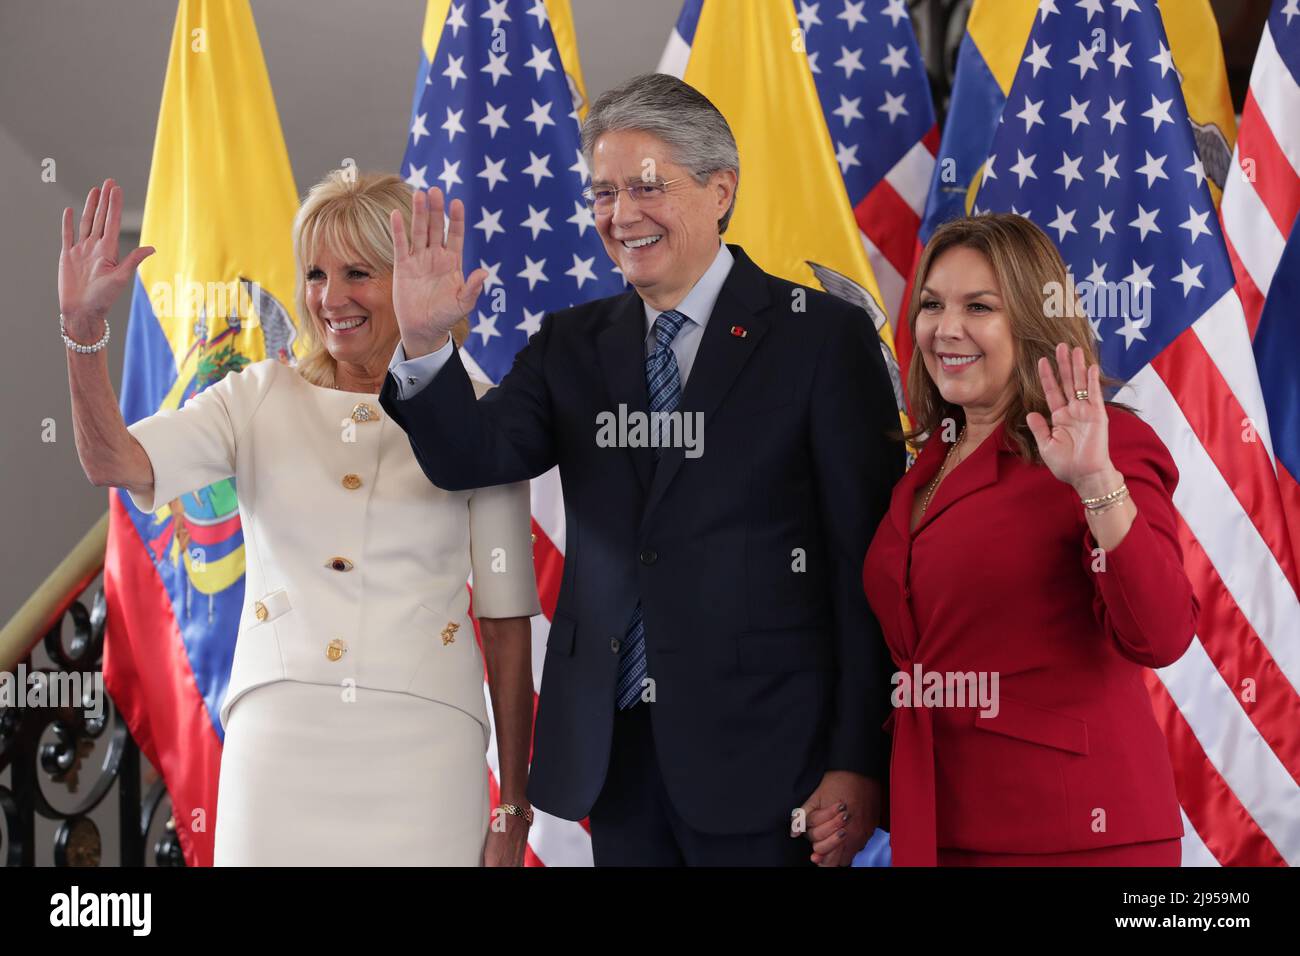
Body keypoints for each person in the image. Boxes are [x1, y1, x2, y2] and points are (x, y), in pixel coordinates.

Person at [379, 73, 904, 866]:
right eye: (603, 193)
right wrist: (424, 346)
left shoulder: (821, 338)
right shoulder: (571, 342)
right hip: (616, 761)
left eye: (647, 186)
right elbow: (471, 457)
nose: (621, 215)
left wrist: (857, 758)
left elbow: (862, 563)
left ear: (719, 191)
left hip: (773, 763)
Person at [58, 172, 540, 866]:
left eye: (357, 273)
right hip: (278, 744)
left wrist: (512, 806)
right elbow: (116, 461)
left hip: (426, 751)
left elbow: (504, 620)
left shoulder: (484, 414)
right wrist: (83, 332)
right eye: (315, 273)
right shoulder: (255, 395)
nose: (329, 297)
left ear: (411, 280)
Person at [863, 213, 1198, 866]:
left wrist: (1096, 479)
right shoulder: (931, 458)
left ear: (1031, 320)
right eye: (931, 304)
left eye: (979, 306)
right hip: (940, 818)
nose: (945, 328)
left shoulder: (1106, 443)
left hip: (1072, 831)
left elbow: (1160, 635)